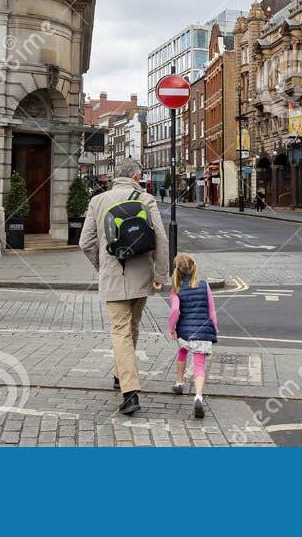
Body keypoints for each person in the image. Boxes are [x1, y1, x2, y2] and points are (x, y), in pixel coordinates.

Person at [80, 157, 170, 415]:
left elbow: (85, 243)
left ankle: (129, 391)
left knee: (120, 330)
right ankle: (124, 379)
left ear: (114, 177)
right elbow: (161, 240)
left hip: (113, 274)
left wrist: (102, 267)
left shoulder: (97, 201)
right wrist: (160, 274)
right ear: (135, 177)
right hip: (142, 273)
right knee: (131, 327)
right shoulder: (146, 200)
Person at [167, 252, 218, 418]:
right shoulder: (204, 285)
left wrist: (171, 328)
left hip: (185, 333)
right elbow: (211, 310)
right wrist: (214, 329)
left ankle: (179, 383)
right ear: (193, 267)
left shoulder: (177, 288)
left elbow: (175, 311)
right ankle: (198, 396)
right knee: (199, 367)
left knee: (182, 351)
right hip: (203, 332)